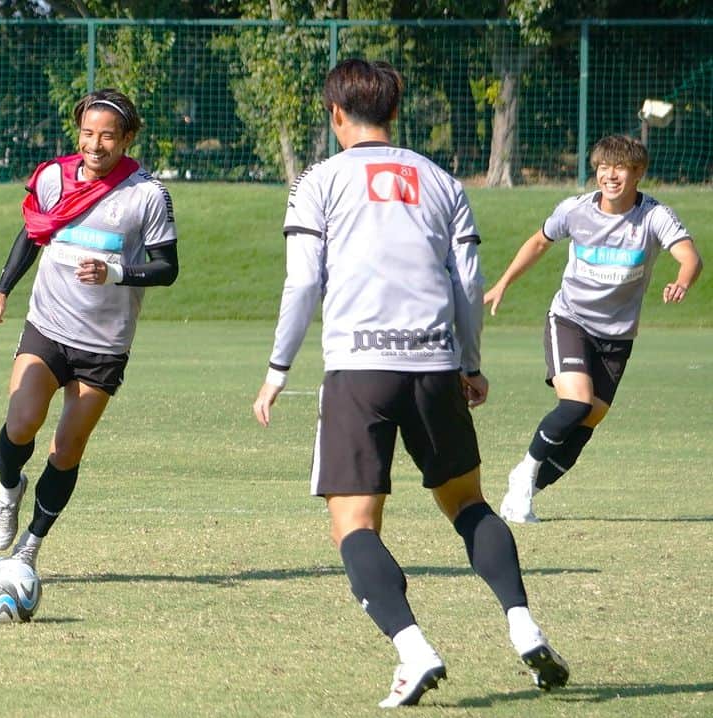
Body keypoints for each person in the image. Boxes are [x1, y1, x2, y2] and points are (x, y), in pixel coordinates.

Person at [252, 59, 568, 708]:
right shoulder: (442, 181)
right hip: (434, 368)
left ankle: (413, 648)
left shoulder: (318, 180)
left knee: (354, 525)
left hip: (360, 370)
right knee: (468, 505)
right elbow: (466, 286)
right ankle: (522, 623)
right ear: (394, 113)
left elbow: (303, 281)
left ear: (336, 113)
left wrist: (278, 369)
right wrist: (470, 365)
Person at [0, 89, 178, 571]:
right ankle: (9, 488)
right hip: (47, 326)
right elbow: (32, 232)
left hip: (104, 345)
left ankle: (31, 544)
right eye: (88, 133)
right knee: (21, 421)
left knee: (66, 449)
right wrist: (2, 289)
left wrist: (116, 274)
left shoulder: (146, 195)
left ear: (128, 138)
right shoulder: (53, 177)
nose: (95, 144)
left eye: (108, 136)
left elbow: (167, 267)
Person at [487, 135, 702, 524]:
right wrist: (503, 282)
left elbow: (689, 255)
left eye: (620, 167)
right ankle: (523, 474)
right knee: (576, 403)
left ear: (638, 173)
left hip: (616, 336)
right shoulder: (575, 210)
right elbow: (539, 243)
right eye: (603, 167)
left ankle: (527, 489)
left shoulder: (654, 216)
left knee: (585, 426)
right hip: (570, 319)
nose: (610, 175)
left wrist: (683, 280)